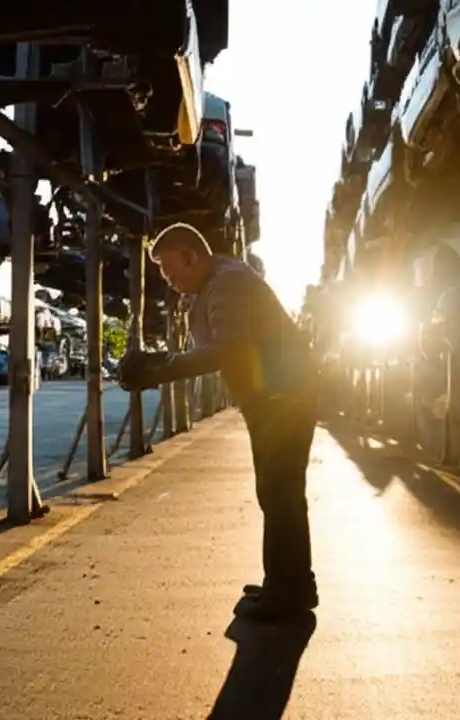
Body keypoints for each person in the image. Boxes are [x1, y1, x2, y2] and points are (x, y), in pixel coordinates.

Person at [117, 223, 318, 622]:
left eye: (174, 273)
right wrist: (162, 362)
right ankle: (288, 582)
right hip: (278, 398)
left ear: (193, 256)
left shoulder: (228, 285)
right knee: (279, 492)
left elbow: (223, 352)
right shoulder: (219, 282)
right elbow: (212, 349)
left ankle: (289, 592)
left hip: (283, 399)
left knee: (279, 492)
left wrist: (157, 370)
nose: (173, 284)